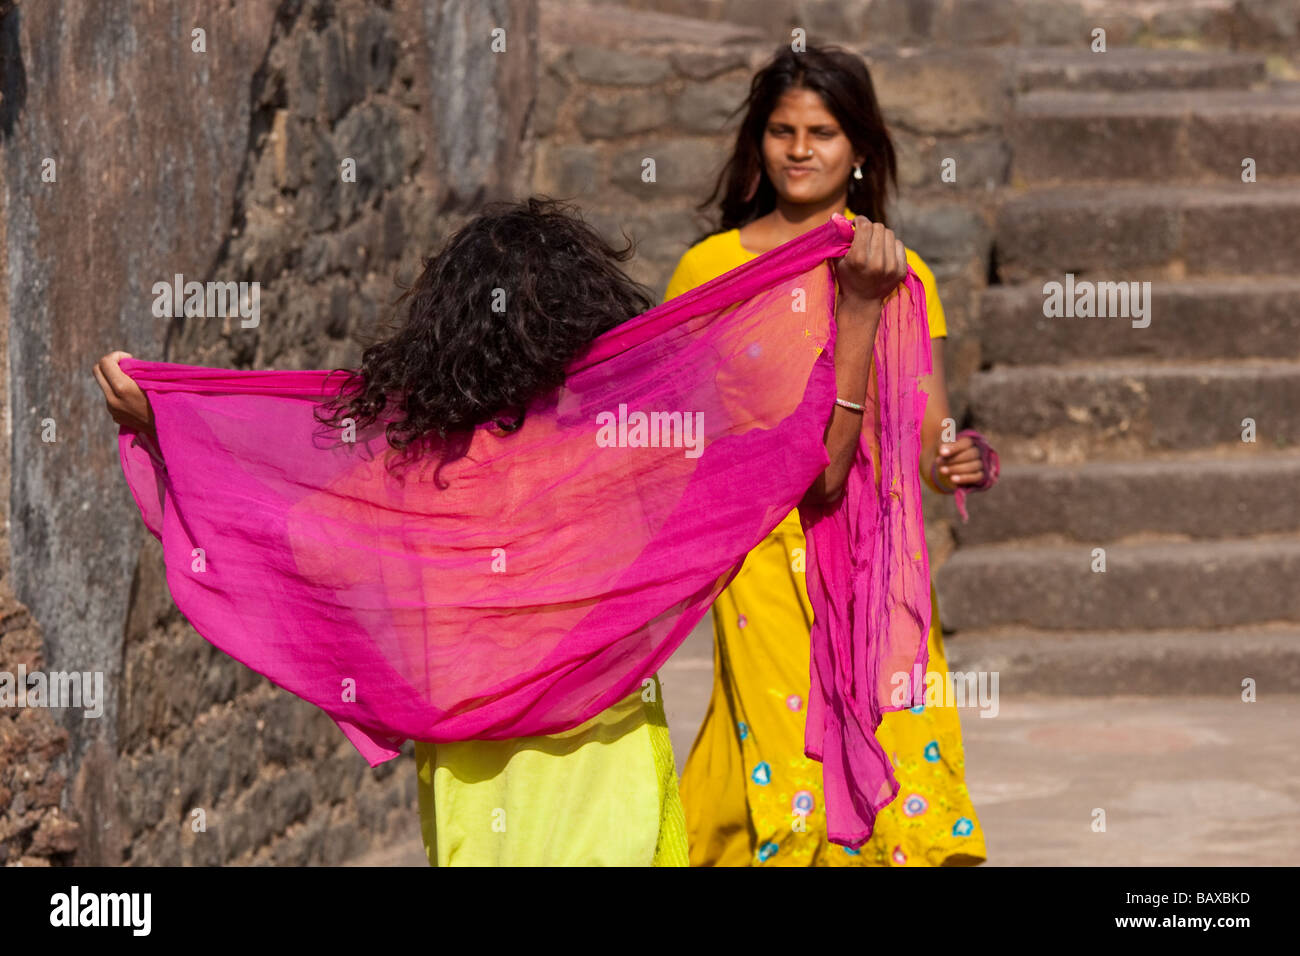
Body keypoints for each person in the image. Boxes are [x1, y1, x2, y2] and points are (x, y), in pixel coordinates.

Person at [93, 195, 910, 866]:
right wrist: (862, 311)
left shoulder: (411, 471)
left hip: (472, 797)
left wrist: (170, 421)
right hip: (604, 779)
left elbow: (280, 533)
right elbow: (821, 472)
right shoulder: (629, 450)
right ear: (594, 327)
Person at [664, 44, 993, 867]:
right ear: (758, 143)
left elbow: (930, 433)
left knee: (898, 747)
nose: (800, 149)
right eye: (781, 130)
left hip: (878, 558)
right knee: (786, 753)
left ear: (860, 150)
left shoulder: (898, 272)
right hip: (760, 551)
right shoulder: (710, 271)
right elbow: (681, 424)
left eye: (822, 131)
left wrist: (960, 456)